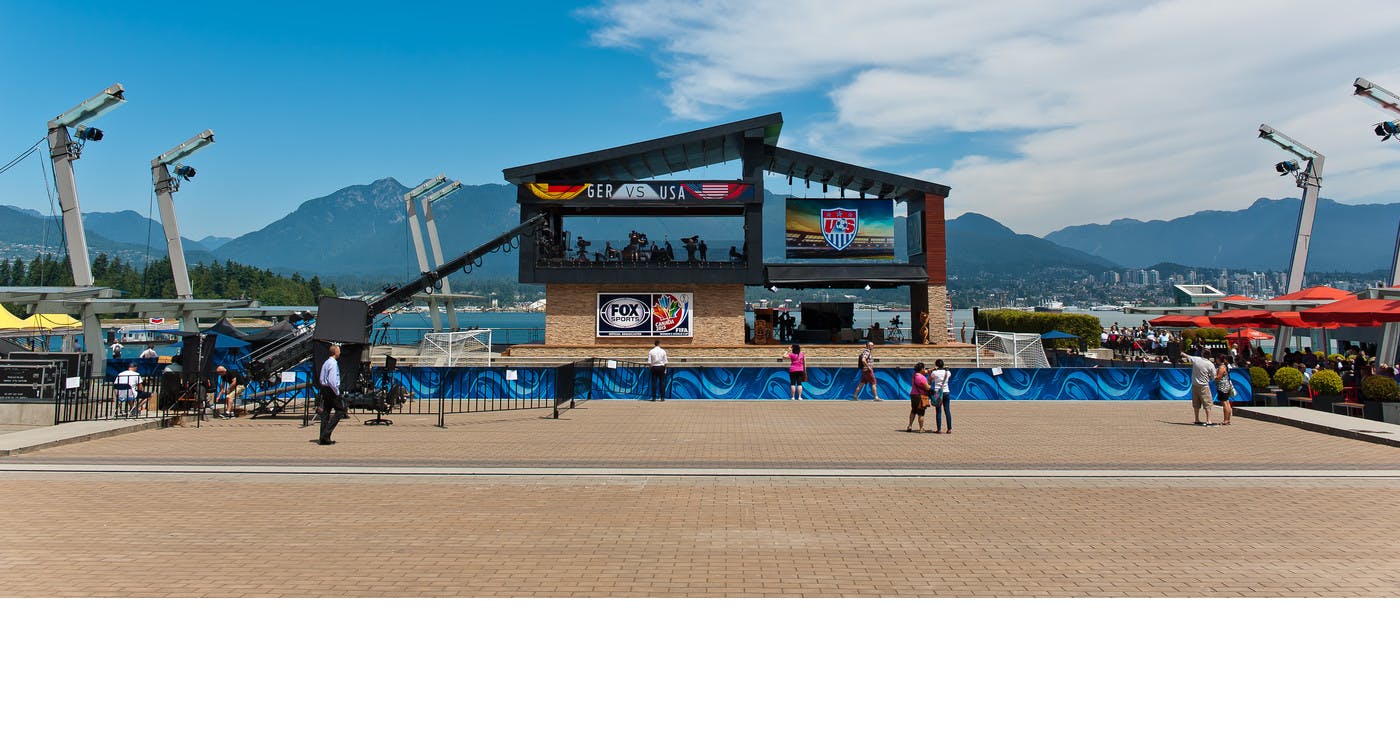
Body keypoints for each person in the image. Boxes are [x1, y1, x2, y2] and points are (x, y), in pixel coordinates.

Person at [318, 344, 345, 445]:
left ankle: (323, 438)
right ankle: (326, 433)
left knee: (326, 412)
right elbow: (332, 380)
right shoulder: (333, 364)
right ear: (335, 352)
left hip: (325, 388)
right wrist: (336, 392)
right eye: (339, 350)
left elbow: (321, 377)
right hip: (331, 389)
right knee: (340, 410)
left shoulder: (326, 362)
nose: (340, 352)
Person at [1183, 353, 1217, 426]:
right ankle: (1208, 420)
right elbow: (1214, 376)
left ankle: (1197, 419)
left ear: (1202, 354)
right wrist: (1209, 377)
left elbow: (1187, 356)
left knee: (1196, 403)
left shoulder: (1196, 359)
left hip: (1195, 385)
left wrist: (1180, 352)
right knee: (1207, 403)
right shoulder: (1210, 364)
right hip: (1204, 386)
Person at [927, 358, 953, 433]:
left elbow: (929, 381)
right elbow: (949, 377)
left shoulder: (935, 373)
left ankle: (939, 429)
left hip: (937, 392)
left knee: (938, 411)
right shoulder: (948, 372)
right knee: (947, 410)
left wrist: (932, 371)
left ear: (936, 365)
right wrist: (946, 369)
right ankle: (949, 429)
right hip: (946, 392)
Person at [906, 362, 930, 433]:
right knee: (921, 413)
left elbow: (926, 372)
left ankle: (910, 426)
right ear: (922, 369)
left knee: (913, 411)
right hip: (920, 396)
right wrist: (930, 385)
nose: (925, 370)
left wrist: (932, 370)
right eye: (924, 368)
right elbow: (927, 387)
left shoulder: (914, 375)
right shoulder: (922, 378)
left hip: (913, 395)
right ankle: (921, 428)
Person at [1214, 355, 1234, 426]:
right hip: (1226, 386)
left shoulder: (1222, 367)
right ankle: (1228, 420)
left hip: (1222, 387)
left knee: (1225, 403)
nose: (1215, 360)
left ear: (1219, 359)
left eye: (1216, 359)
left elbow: (1218, 377)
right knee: (1227, 403)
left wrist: (1213, 378)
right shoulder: (1225, 366)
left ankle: (1226, 420)